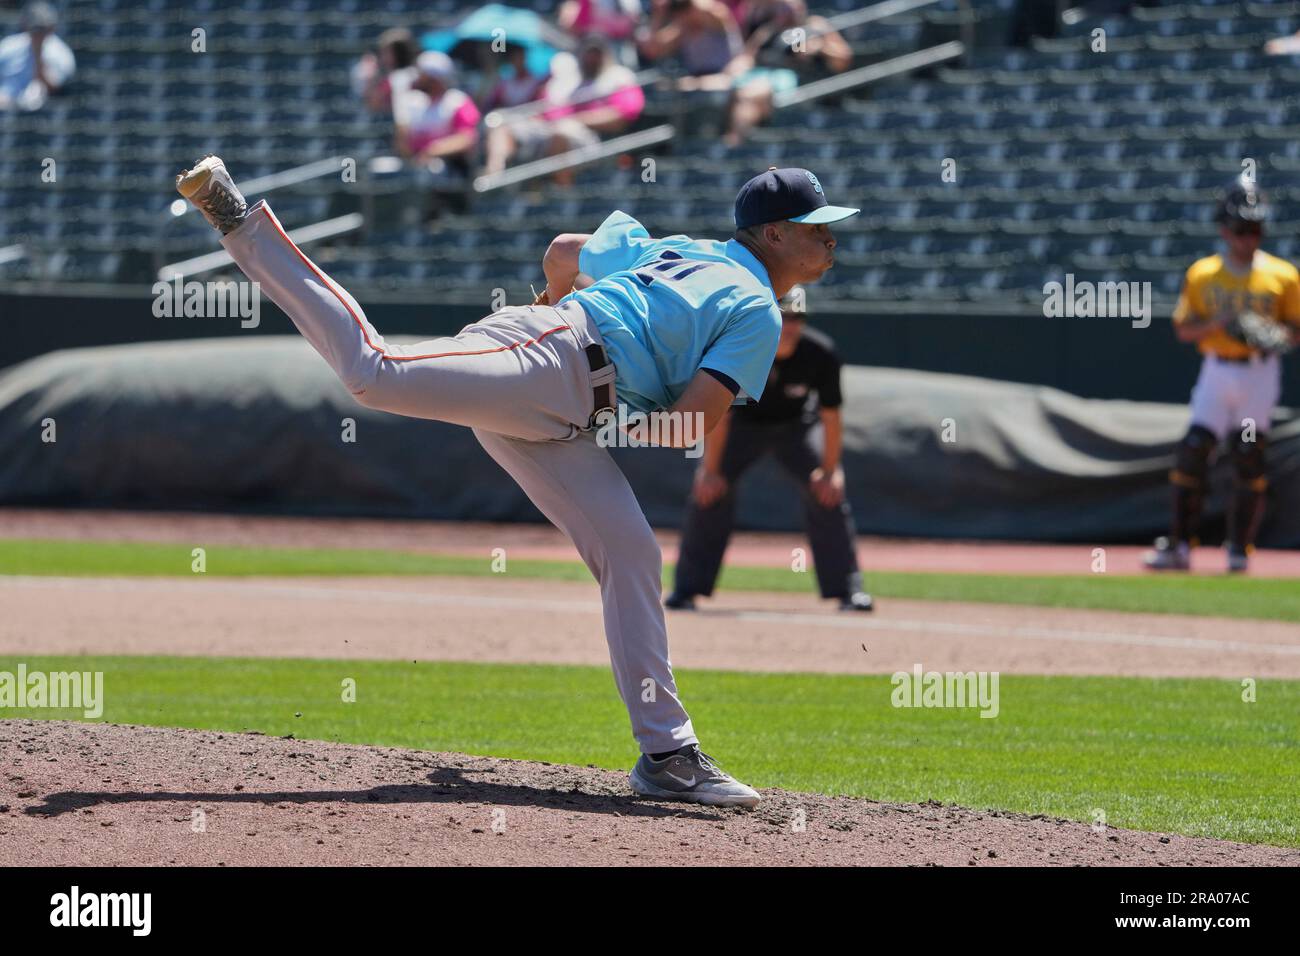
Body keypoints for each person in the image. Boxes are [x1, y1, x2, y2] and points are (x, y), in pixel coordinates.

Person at [176, 157, 857, 807]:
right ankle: (241, 223)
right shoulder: (757, 309)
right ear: (774, 234)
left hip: (557, 392)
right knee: (373, 372)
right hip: (550, 360)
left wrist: (572, 347)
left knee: (631, 553)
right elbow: (686, 428)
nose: (830, 236)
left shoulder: (683, 247)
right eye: (816, 224)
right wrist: (603, 393)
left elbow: (564, 251)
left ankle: (668, 756)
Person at [665, 287, 873, 612]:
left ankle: (848, 589)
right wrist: (710, 470)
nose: (790, 325)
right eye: (784, 316)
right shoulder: (743, 349)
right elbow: (722, 415)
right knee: (709, 492)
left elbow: (831, 418)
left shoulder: (821, 353)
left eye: (797, 317)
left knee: (827, 492)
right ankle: (686, 589)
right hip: (742, 426)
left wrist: (831, 471)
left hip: (796, 426)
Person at [1143, 176, 1300, 574]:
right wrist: (1222, 321)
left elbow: (1295, 332)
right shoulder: (1203, 274)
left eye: (1256, 229)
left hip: (1258, 375)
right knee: (1194, 448)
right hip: (1217, 370)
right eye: (1242, 229)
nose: (1249, 237)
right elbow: (1183, 329)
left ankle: (1239, 549)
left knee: (1248, 453)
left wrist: (1273, 335)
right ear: (1224, 229)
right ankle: (1178, 546)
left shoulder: (1283, 275)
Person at [482, 36, 644, 183]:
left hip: (592, 137)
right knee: (501, 124)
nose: (591, 58)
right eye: (588, 53)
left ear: (606, 54)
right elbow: (545, 110)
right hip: (551, 129)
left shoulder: (618, 77)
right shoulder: (570, 79)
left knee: (562, 132)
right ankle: (495, 175)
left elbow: (624, 115)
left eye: (596, 53)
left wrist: (579, 119)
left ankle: (564, 193)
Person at [394, 51, 481, 174]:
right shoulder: (412, 102)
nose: (418, 79)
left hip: (450, 168)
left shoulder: (456, 101)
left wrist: (432, 151)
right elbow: (403, 144)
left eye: (422, 74)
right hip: (416, 168)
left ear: (434, 78)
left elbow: (467, 139)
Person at [0, 1, 75, 113]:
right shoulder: (9, 45)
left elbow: (53, 89)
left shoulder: (61, 53)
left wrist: (38, 54)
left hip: (40, 112)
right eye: (34, 26)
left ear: (51, 27)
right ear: (25, 25)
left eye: (41, 27)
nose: (37, 32)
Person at [352, 27, 421, 117]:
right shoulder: (414, 74)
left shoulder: (401, 78)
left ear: (396, 54)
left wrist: (369, 80)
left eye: (385, 51)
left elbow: (375, 105)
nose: (381, 56)